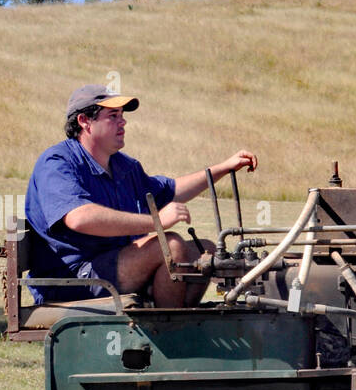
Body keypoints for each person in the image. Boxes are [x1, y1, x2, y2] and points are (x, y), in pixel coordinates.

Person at [24, 84, 257, 306]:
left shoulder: (124, 167)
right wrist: (157, 221)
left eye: (122, 115)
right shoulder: (57, 162)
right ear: (85, 121)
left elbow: (172, 191)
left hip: (112, 266)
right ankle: (168, 333)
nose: (122, 121)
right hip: (73, 278)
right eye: (113, 115)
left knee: (204, 251)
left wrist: (224, 167)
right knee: (172, 245)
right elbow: (79, 217)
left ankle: (179, 320)